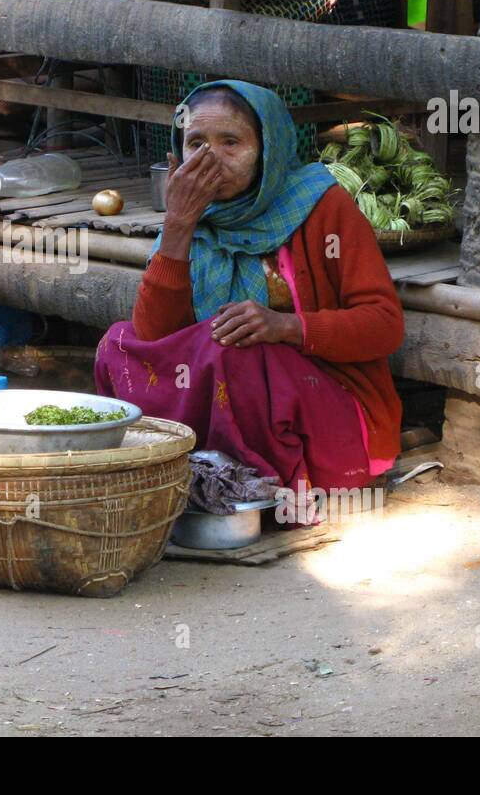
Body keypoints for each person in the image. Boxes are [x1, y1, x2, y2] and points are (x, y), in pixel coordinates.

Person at [95, 81, 404, 507]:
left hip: (324, 401)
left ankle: (255, 484)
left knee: (232, 350)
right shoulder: (189, 214)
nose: (210, 159)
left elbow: (384, 324)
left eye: (231, 143)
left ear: (268, 148)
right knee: (118, 342)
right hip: (222, 387)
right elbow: (156, 337)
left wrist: (287, 327)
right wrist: (179, 226)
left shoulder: (322, 205)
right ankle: (187, 469)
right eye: (196, 143)